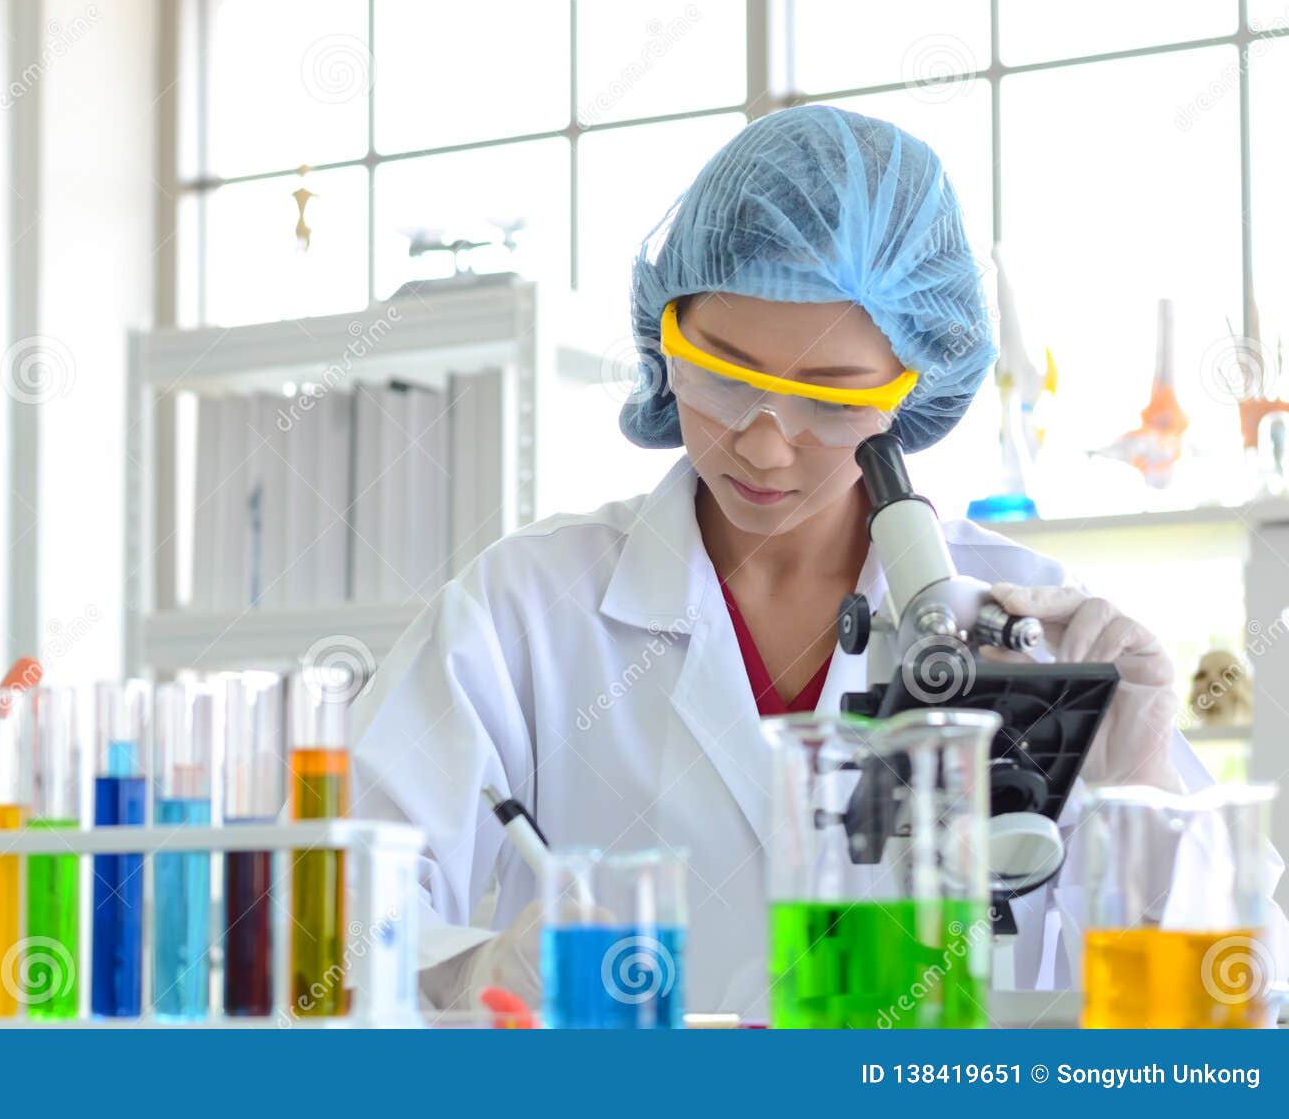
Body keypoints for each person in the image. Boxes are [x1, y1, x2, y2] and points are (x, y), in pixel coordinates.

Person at [348, 105, 1282, 1017]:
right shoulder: (527, 612)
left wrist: (1145, 790)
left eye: (830, 402)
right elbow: (337, 920)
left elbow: (1243, 1000)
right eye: (721, 375)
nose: (763, 446)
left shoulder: (1026, 630)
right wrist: (471, 975)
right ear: (661, 338)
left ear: (912, 394)